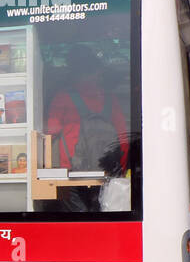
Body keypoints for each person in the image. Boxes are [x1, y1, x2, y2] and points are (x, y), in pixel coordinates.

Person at [44, 44, 129, 210]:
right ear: (97, 72)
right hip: (105, 171)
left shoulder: (62, 97)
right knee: (100, 212)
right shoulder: (111, 99)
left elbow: (51, 131)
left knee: (78, 220)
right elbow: (123, 136)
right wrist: (122, 168)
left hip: (71, 171)